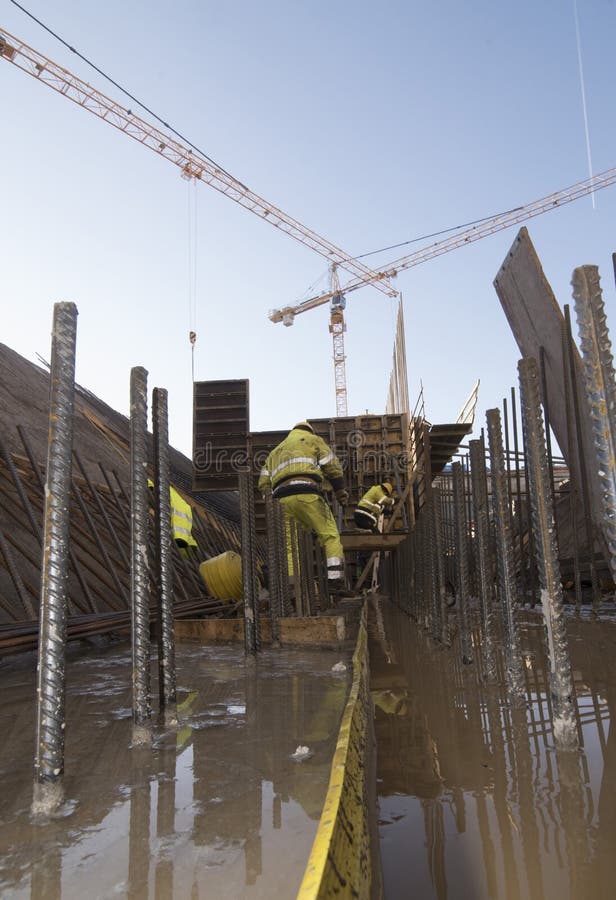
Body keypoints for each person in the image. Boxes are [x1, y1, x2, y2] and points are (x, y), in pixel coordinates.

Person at [258, 421, 348, 589]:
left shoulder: (275, 452)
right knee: (330, 536)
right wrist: (339, 490)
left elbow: (263, 482)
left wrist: (270, 501)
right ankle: (335, 580)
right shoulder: (312, 440)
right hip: (307, 493)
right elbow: (332, 466)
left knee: (290, 546)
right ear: (309, 431)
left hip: (281, 501)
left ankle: (293, 587)